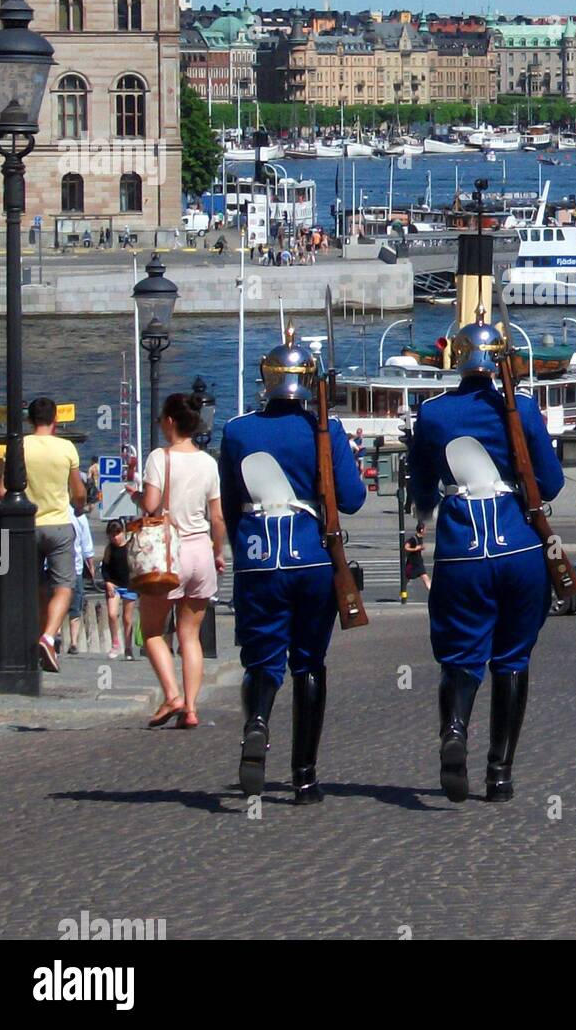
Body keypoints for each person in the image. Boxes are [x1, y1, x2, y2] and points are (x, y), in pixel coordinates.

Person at [408, 314, 565, 804]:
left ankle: (455, 730)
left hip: (462, 552)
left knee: (460, 656)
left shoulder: (433, 414)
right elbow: (551, 483)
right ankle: (500, 775)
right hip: (518, 546)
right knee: (512, 659)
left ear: (456, 356)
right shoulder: (519, 405)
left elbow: (423, 492)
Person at [219, 330, 366, 805]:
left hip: (258, 558)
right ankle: (304, 776)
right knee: (308, 663)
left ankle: (258, 722)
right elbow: (353, 498)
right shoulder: (325, 429)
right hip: (312, 558)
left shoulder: (238, 430)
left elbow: (229, 501)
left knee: (261, 661)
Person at [138, 393, 227, 729]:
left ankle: (172, 694)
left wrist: (136, 493)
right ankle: (191, 708)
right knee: (191, 635)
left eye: (162, 418)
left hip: (168, 554)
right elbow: (217, 517)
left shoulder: (160, 458)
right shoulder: (208, 462)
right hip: (201, 550)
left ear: (171, 422)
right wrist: (218, 551)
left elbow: (150, 505)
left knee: (152, 631)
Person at [0, 396, 85, 673]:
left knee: (34, 585)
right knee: (64, 586)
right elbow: (79, 492)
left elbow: (2, 491)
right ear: (55, 420)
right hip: (59, 524)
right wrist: (79, 506)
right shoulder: (66, 448)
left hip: (26, 525)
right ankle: (48, 636)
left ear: (29, 420)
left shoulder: (18, 445)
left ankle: (37, 637)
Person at [101, 520, 138, 661]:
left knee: (127, 619)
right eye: (112, 534)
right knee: (112, 614)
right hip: (114, 585)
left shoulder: (129, 547)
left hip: (129, 585)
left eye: (117, 533)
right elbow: (104, 567)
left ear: (123, 532)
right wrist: (108, 582)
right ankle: (115, 643)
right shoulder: (109, 549)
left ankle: (128, 647)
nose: (115, 537)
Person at [65, 504, 95, 655]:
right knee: (74, 607)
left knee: (57, 601)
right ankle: (73, 641)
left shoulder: (76, 516)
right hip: (74, 567)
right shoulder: (79, 516)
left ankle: (60, 637)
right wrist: (91, 565)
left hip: (60, 568)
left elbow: (86, 543)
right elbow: (86, 544)